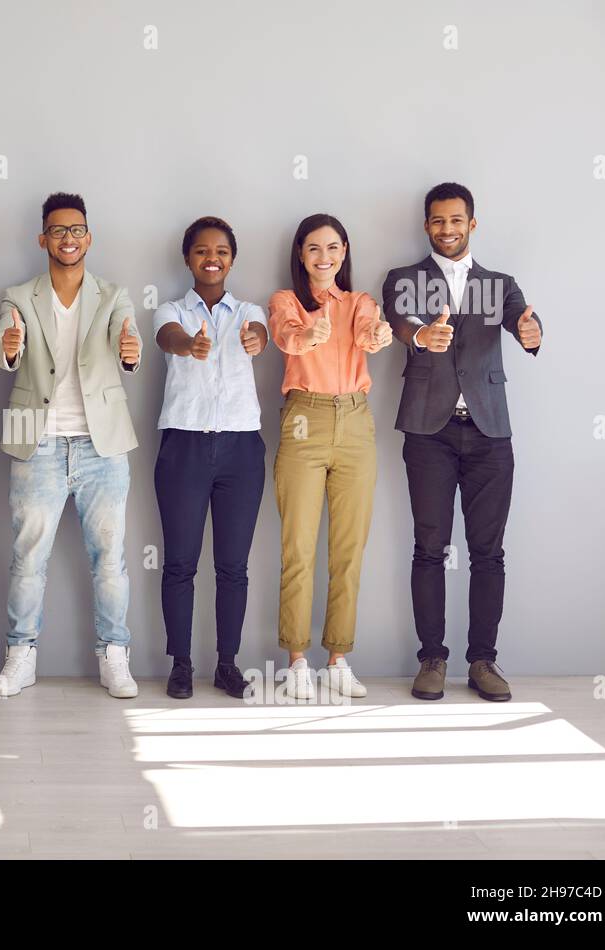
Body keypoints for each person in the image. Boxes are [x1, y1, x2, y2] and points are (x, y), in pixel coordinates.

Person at [382, 182, 542, 702]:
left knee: (488, 552)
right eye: (437, 221)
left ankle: (483, 661)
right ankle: (432, 659)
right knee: (429, 548)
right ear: (426, 225)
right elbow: (399, 321)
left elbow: (523, 321)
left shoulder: (500, 284)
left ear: (472, 223)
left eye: (456, 220)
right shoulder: (404, 279)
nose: (446, 229)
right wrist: (420, 336)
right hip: (429, 432)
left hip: (489, 431)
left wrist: (530, 328)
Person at [0, 192, 144, 699]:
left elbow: (129, 342)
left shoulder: (114, 294)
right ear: (43, 239)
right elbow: (2, 348)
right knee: (28, 557)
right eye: (58, 231)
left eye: (76, 229)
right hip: (39, 445)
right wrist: (7, 350)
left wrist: (131, 352)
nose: (68, 238)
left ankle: (114, 656)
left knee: (110, 559)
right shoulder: (19, 295)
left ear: (88, 237)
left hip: (103, 446)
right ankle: (21, 656)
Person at [268, 213, 393, 702]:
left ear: (345, 253)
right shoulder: (285, 301)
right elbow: (286, 335)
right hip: (304, 419)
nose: (325, 257)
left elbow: (369, 332)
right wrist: (308, 336)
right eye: (315, 248)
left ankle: (338, 660)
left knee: (348, 550)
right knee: (297, 547)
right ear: (301, 254)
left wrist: (376, 337)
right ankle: (297, 660)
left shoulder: (360, 302)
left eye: (334, 248)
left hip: (356, 422)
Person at [152, 217, 268, 700]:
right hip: (184, 445)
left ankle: (227, 663)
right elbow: (168, 338)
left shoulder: (248, 311)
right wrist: (190, 345)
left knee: (233, 566)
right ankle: (181, 664)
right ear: (188, 259)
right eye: (201, 251)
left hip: (241, 448)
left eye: (221, 250)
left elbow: (259, 333)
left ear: (232, 258)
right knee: (179, 563)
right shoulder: (170, 309)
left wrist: (257, 339)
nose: (211, 258)